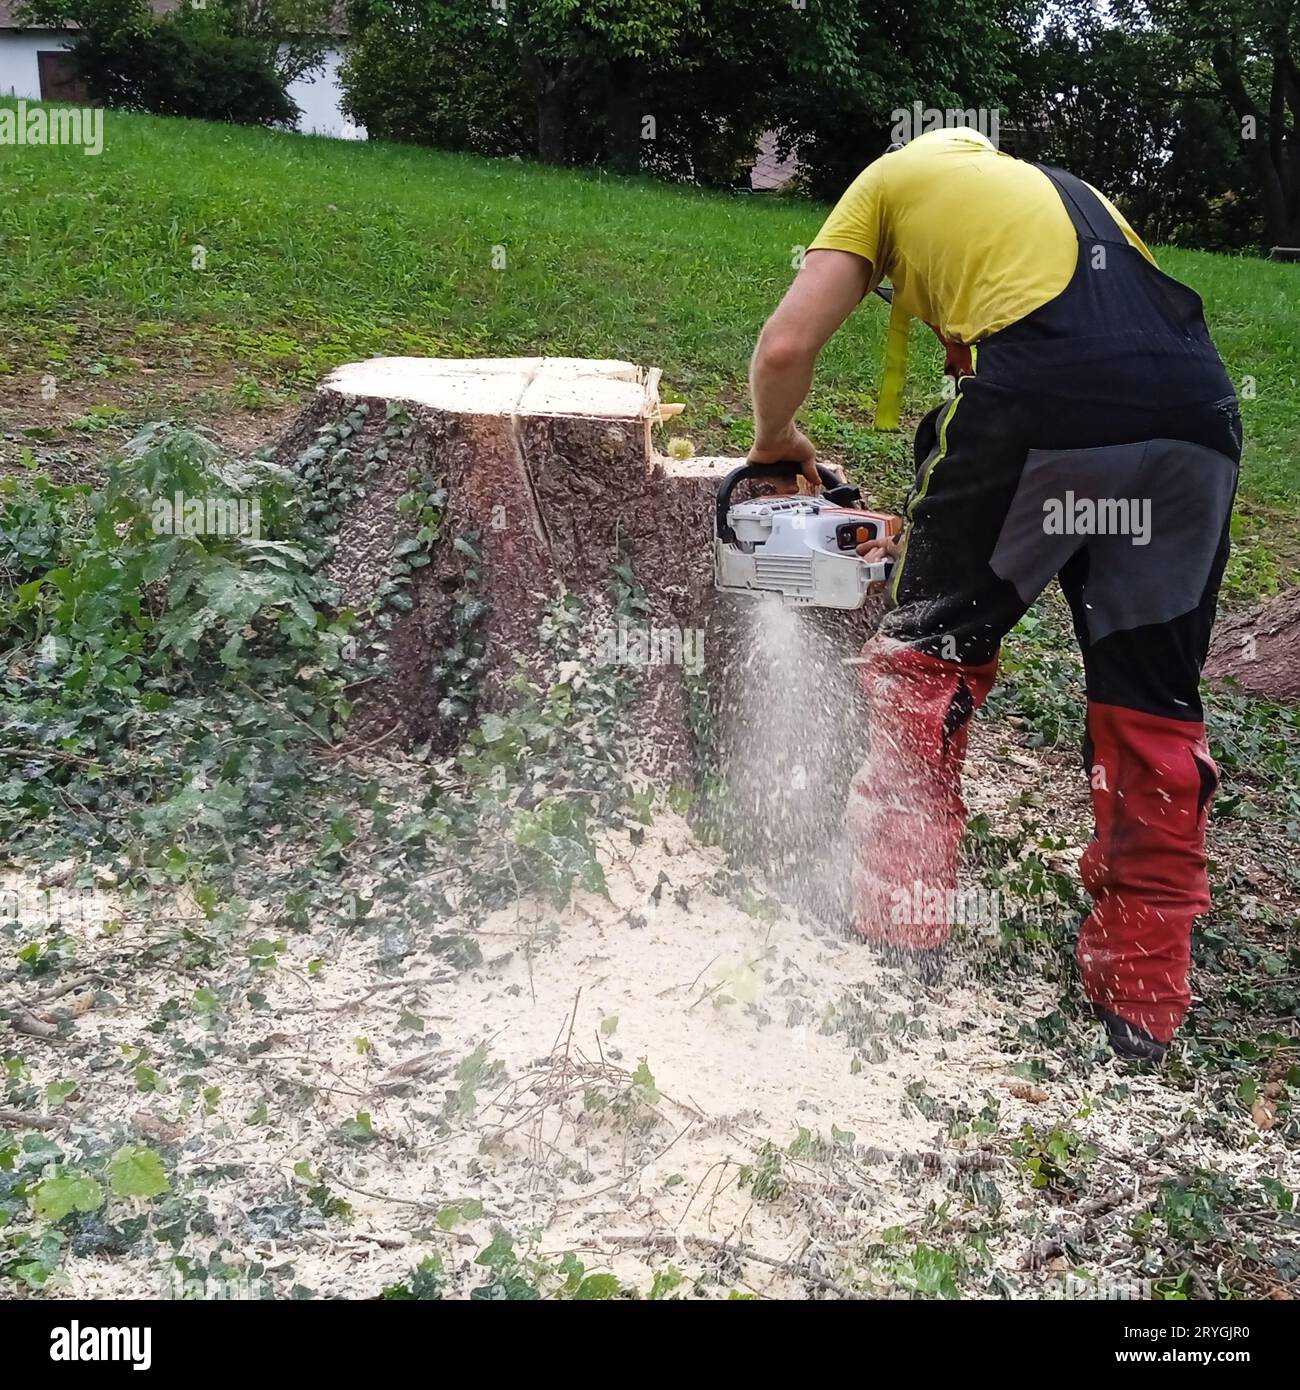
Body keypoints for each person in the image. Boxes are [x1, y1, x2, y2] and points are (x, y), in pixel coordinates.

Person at [746, 127, 1240, 1061]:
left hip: (1045, 407)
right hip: (1199, 420)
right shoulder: (1071, 197)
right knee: (1155, 712)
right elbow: (1120, 352)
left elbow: (784, 346)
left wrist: (777, 443)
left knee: (924, 668)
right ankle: (1142, 997)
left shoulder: (886, 182)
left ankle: (901, 923)